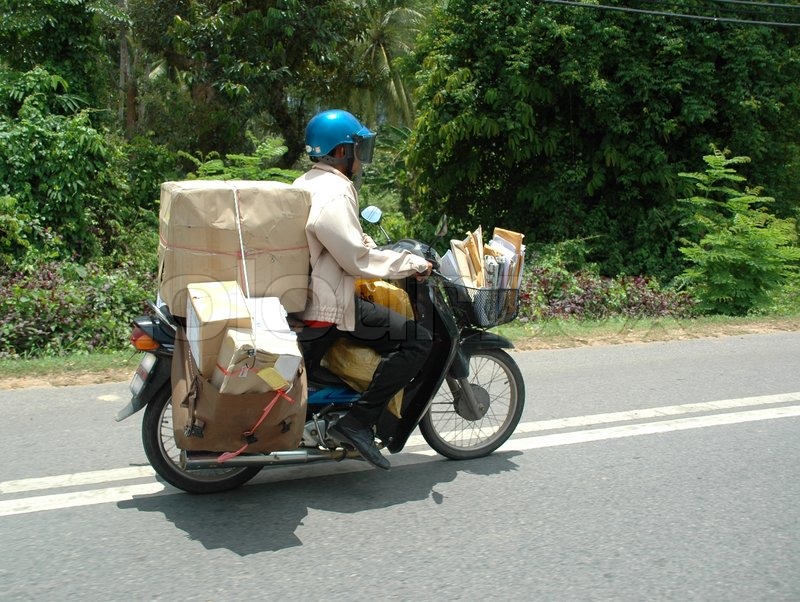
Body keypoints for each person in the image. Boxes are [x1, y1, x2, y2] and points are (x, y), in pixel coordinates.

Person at [293, 109, 433, 470]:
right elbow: (356, 260)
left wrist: (368, 244)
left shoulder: (305, 183)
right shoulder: (337, 191)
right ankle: (357, 422)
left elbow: (336, 242)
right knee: (418, 340)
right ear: (342, 151)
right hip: (328, 304)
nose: (361, 155)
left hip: (306, 294)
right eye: (358, 146)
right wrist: (410, 263)